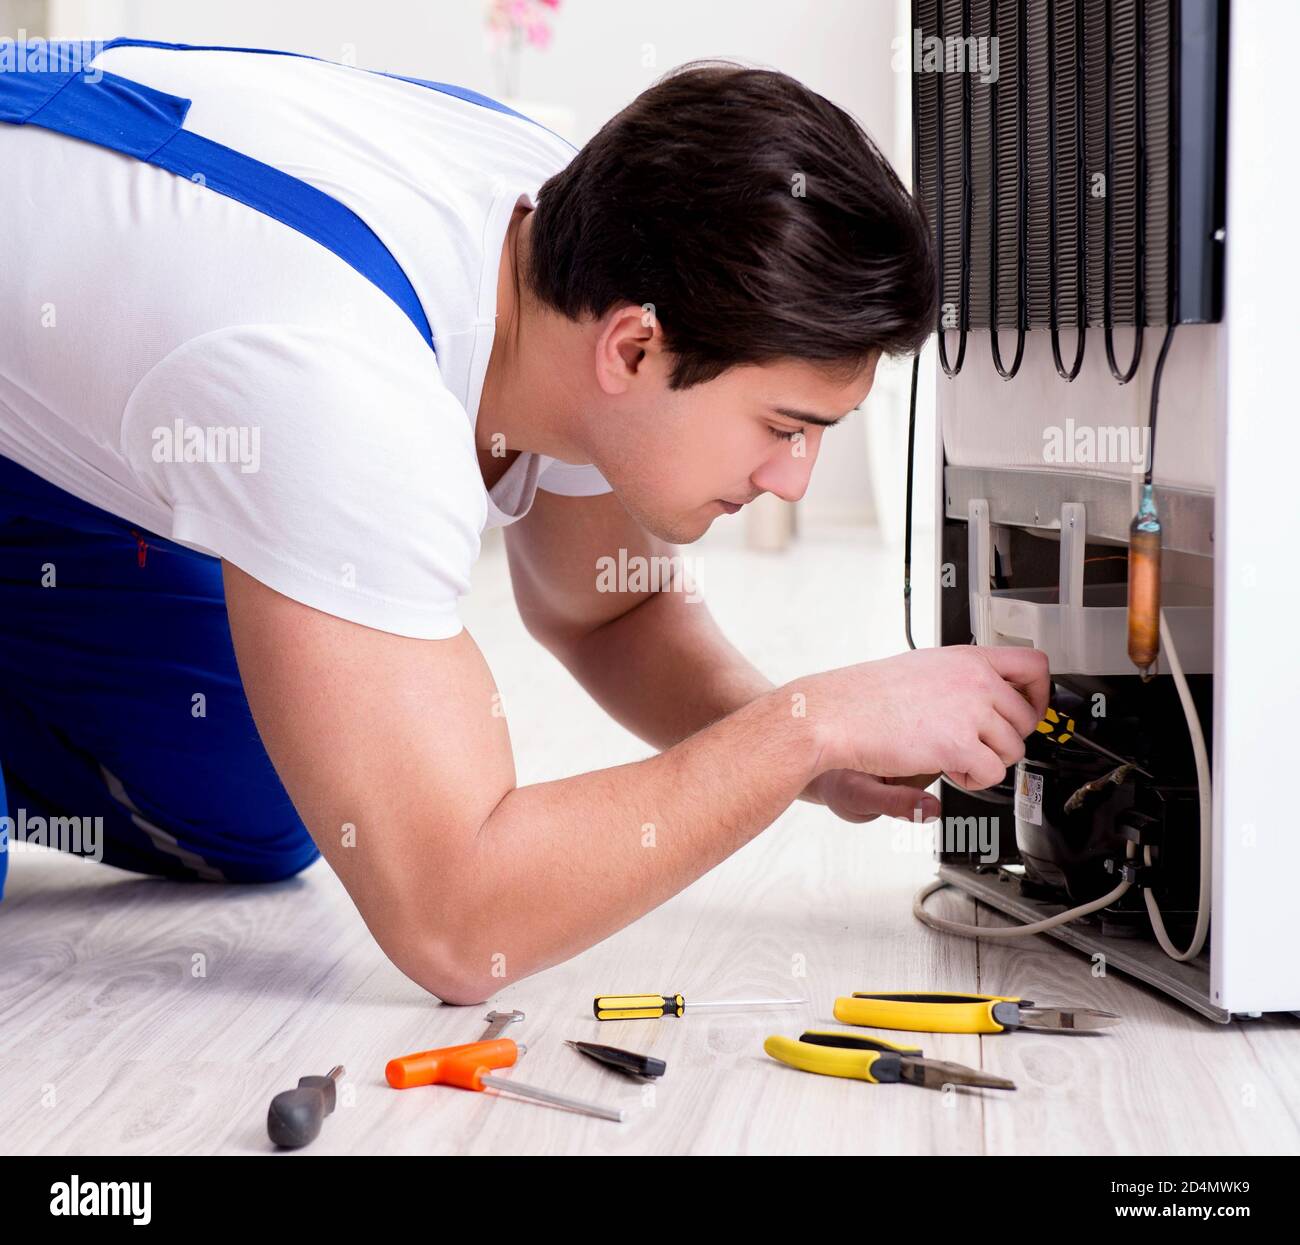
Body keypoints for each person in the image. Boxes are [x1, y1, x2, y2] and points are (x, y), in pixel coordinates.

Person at [0, 38, 1048, 1003]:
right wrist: (806, 726)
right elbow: (458, 923)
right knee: (385, 814)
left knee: (248, 795)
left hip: (39, 403)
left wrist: (817, 760)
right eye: (783, 426)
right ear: (633, 350)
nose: (792, 481)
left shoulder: (579, 243)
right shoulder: (348, 399)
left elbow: (610, 616)